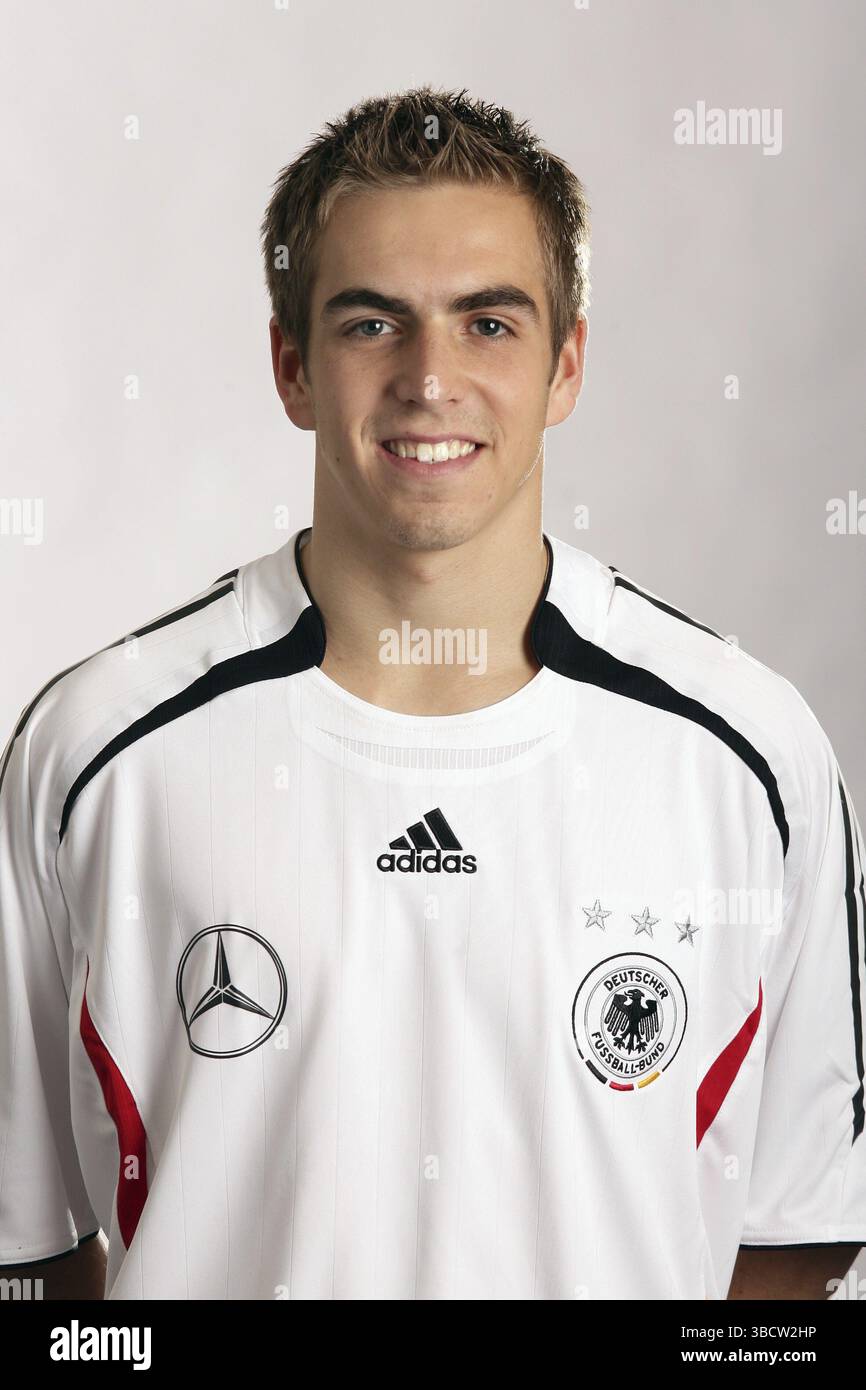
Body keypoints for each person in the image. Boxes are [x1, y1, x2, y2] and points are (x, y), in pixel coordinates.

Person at [1, 86, 864, 1301]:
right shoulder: (96, 750)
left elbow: (794, 1241)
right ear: (291, 367)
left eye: (487, 324)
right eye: (370, 324)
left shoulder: (745, 750)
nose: (428, 379)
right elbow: (26, 1258)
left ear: (565, 364)